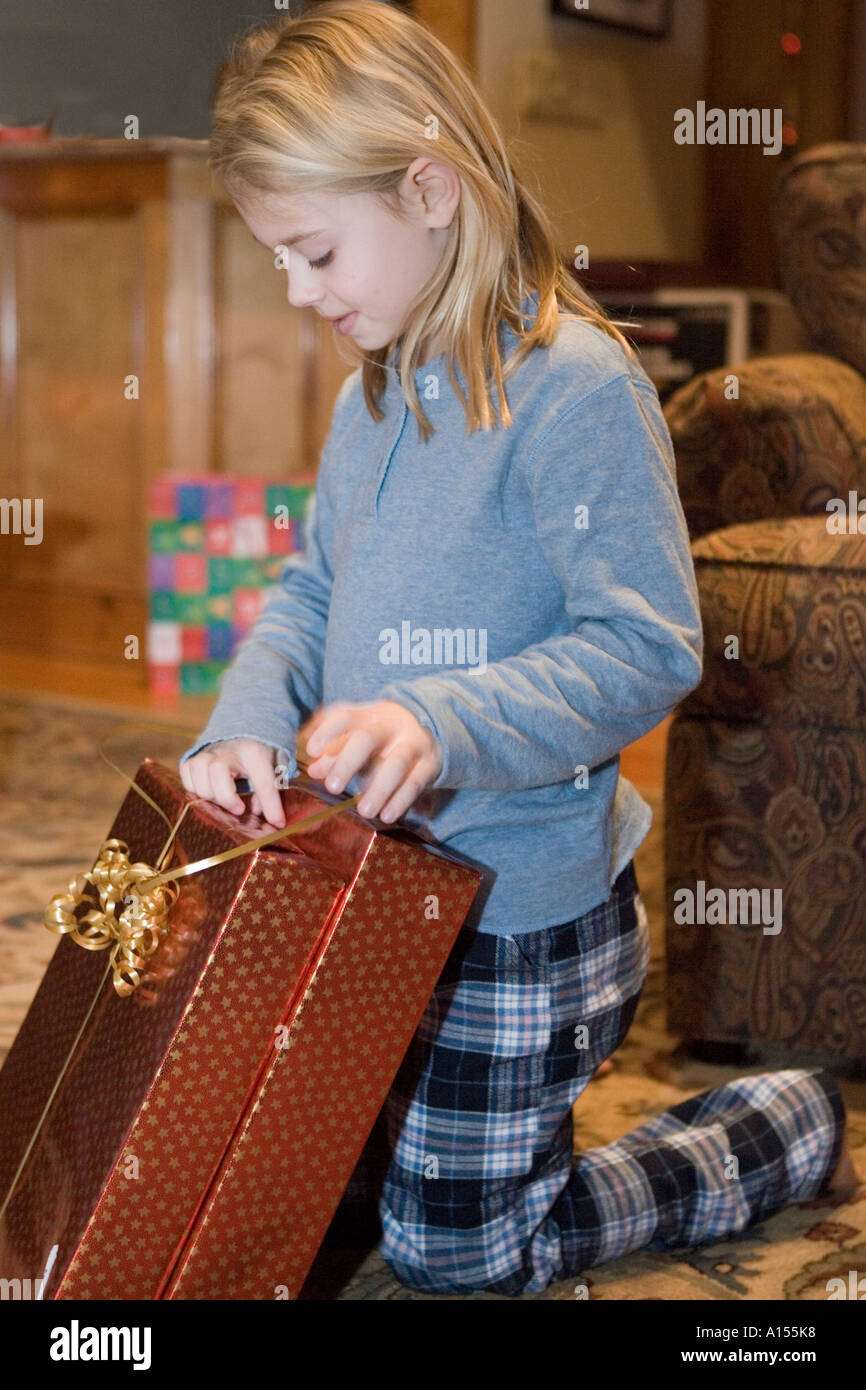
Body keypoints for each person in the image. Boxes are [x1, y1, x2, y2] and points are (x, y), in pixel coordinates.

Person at [178, 1, 859, 1297]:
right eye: (276, 257)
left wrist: (441, 719)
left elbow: (644, 647)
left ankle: (784, 1125)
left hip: (522, 922)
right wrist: (245, 716)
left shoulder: (578, 390)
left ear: (428, 190)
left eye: (314, 249)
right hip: (372, 897)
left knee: (452, 1253)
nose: (296, 289)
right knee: (317, 1181)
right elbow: (310, 589)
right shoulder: (369, 390)